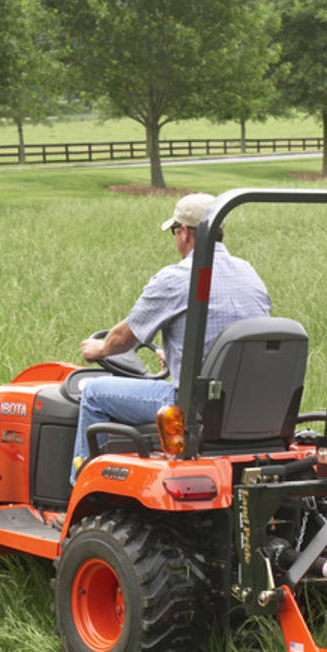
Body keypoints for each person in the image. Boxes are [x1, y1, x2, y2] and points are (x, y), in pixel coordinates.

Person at [71, 192, 271, 481]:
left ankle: (80, 488)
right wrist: (176, 352)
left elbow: (126, 337)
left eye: (175, 232)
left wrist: (99, 349)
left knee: (93, 393)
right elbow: (236, 336)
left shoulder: (176, 278)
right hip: (243, 404)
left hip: (192, 405)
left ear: (185, 233)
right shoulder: (249, 273)